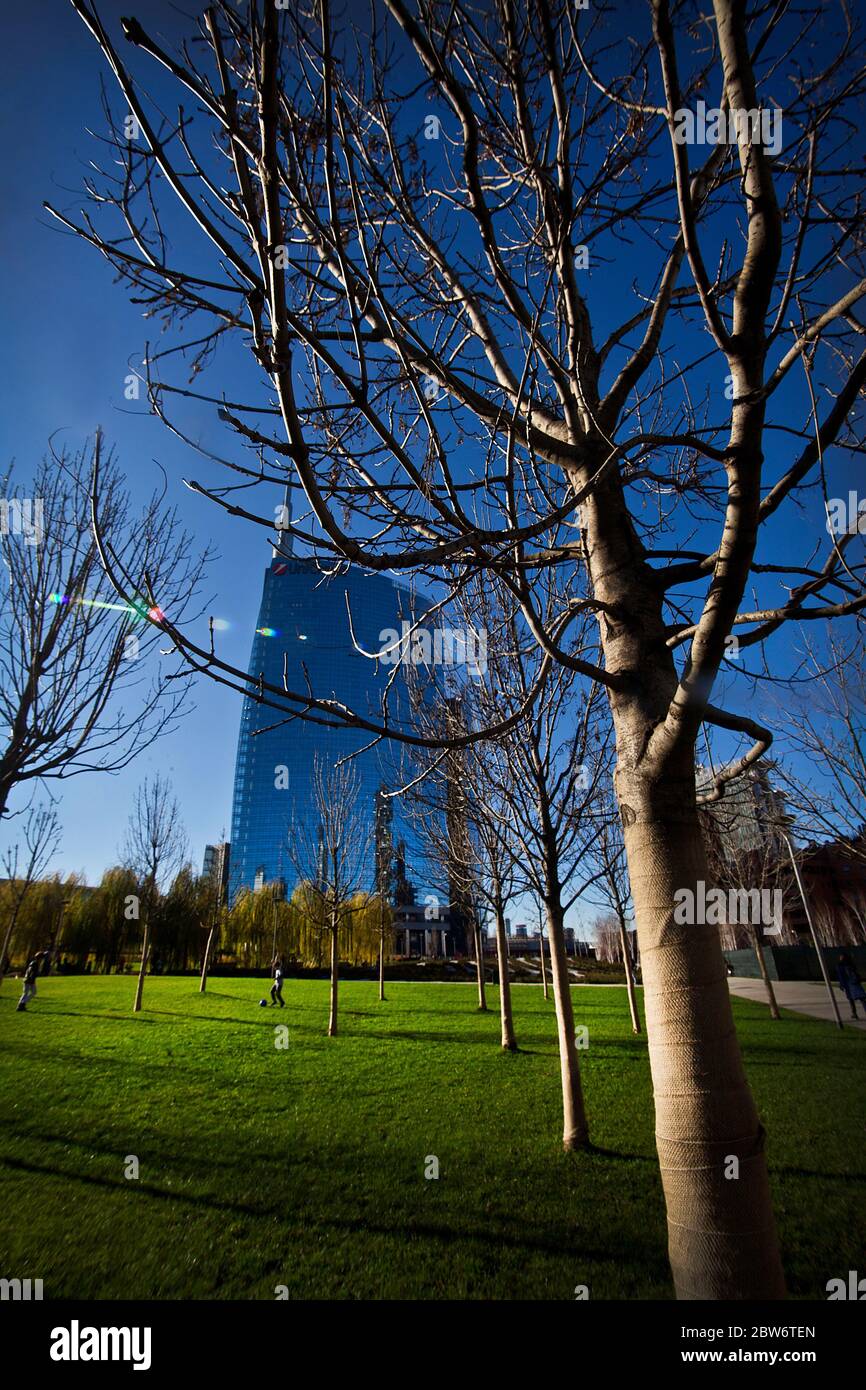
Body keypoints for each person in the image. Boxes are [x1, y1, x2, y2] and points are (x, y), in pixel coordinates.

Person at [836, 952, 866, 1020]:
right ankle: (854, 1013)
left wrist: (841, 984)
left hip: (848, 984)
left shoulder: (840, 966)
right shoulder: (851, 964)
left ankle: (854, 1013)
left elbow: (841, 976)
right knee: (862, 998)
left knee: (851, 999)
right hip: (855, 982)